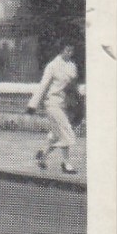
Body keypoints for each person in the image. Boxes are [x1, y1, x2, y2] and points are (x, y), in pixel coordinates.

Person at [28, 44, 81, 175]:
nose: (69, 53)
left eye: (71, 50)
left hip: (65, 105)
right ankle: (66, 163)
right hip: (52, 103)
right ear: (61, 51)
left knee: (56, 135)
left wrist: (78, 104)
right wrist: (32, 105)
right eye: (67, 50)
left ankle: (43, 155)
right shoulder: (52, 66)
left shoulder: (72, 66)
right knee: (66, 131)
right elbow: (43, 85)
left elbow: (73, 87)